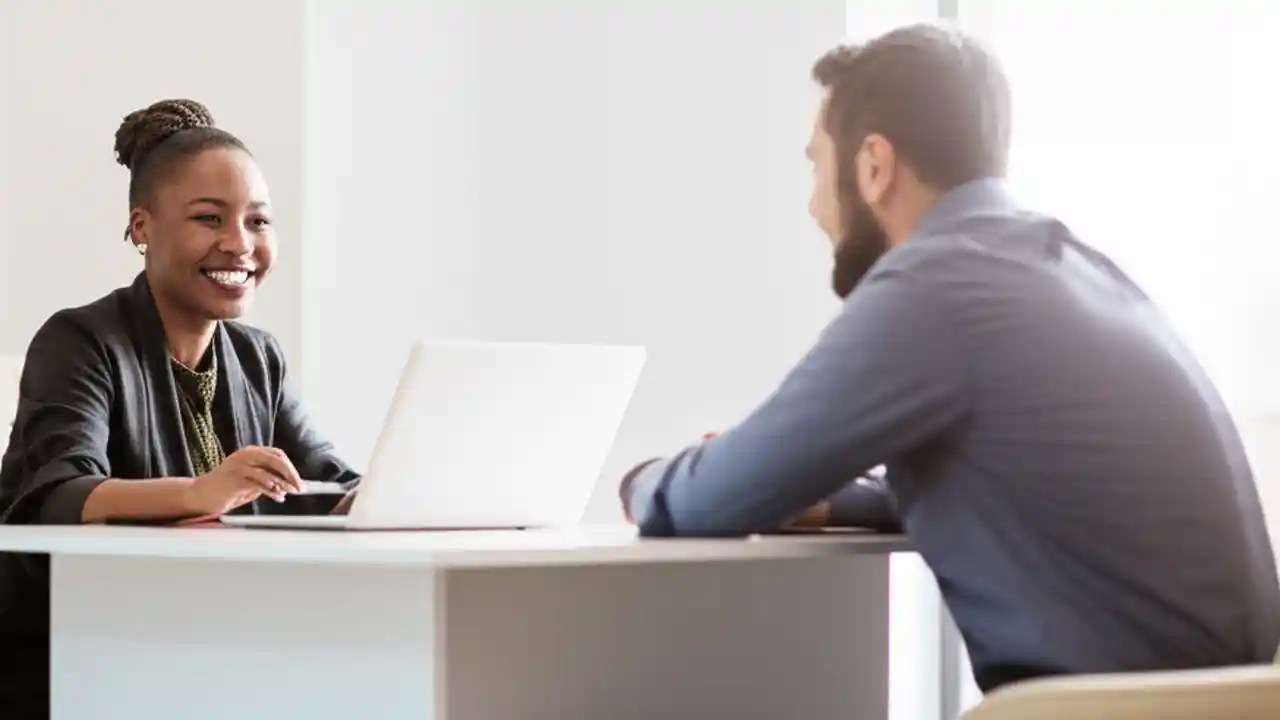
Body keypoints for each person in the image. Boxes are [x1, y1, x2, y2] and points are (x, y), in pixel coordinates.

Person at [620, 25, 1280, 692]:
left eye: (816, 166)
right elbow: (1021, 480)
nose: (814, 205)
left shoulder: (934, 291)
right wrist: (834, 502)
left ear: (873, 166)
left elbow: (710, 498)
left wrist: (643, 479)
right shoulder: (1072, 271)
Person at [0, 99, 359, 717]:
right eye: (208, 218)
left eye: (259, 222)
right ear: (142, 227)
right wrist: (200, 492)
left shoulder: (259, 358)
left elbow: (328, 478)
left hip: (208, 651)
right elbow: (55, 495)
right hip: (71, 663)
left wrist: (403, 490)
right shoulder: (79, 340)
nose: (239, 244)